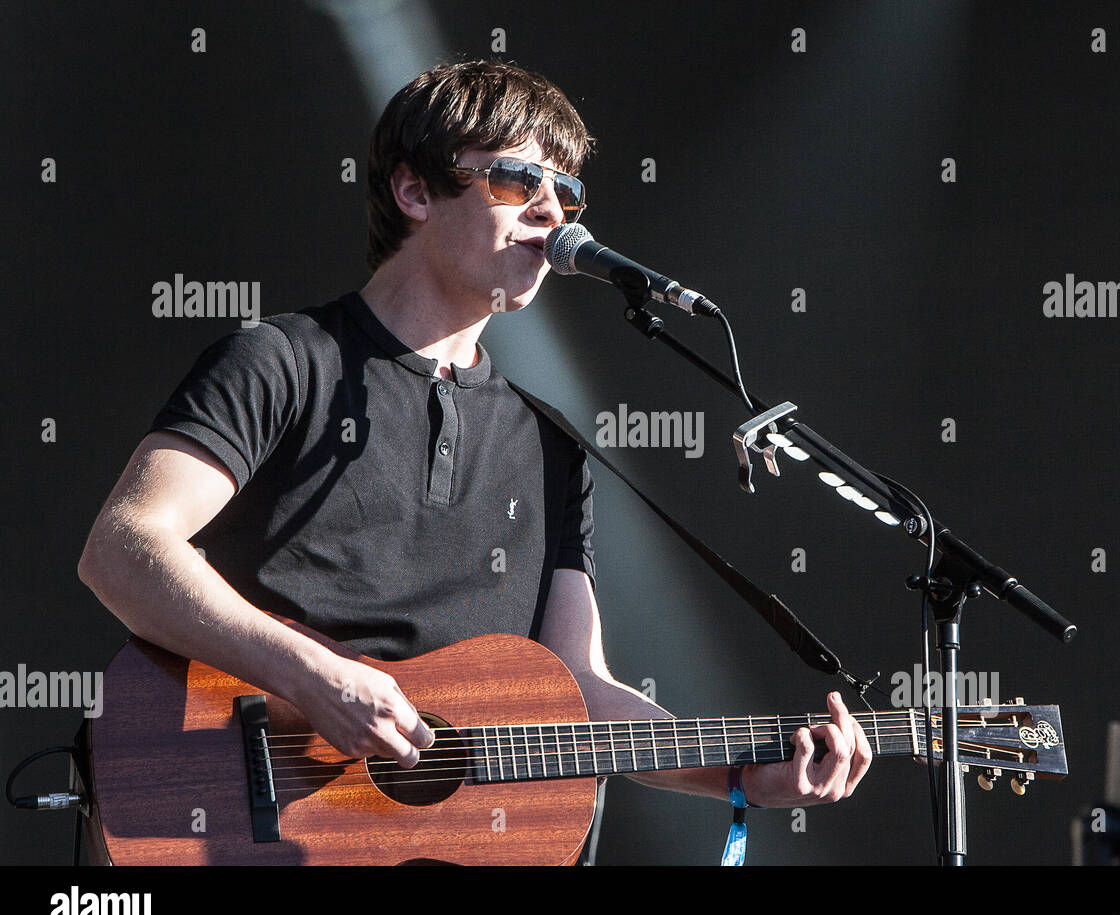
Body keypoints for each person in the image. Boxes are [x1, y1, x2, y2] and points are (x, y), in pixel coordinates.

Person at [77, 61, 870, 848]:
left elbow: (580, 693)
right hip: (236, 816)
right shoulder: (281, 361)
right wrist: (310, 678)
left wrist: (738, 774)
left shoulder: (550, 443)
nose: (554, 211)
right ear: (414, 191)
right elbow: (122, 549)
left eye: (568, 192)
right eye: (520, 181)